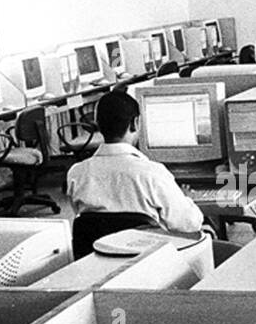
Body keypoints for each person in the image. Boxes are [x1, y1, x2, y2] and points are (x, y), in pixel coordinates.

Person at [65, 90, 205, 234]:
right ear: (135, 123)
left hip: (102, 253)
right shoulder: (152, 173)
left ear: (98, 125)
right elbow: (189, 224)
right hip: (151, 254)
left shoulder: (76, 173)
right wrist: (186, 199)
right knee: (207, 233)